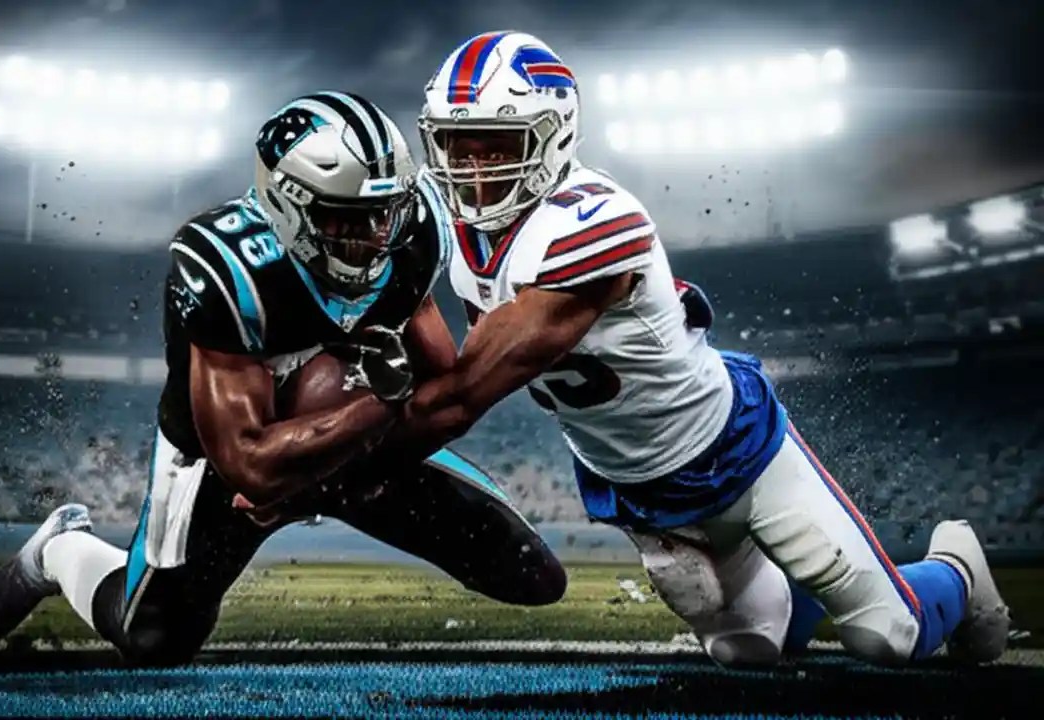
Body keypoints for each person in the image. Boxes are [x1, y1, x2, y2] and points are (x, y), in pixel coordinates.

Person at [355, 30, 1008, 667]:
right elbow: (446, 370)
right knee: (746, 648)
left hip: (732, 452)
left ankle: (955, 563)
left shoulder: (591, 225)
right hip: (632, 481)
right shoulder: (459, 237)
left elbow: (466, 391)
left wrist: (337, 472)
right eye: (454, 148)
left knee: (887, 636)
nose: (471, 171)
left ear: (552, 136)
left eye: (494, 149)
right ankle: (809, 584)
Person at [0, 91, 566, 666]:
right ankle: (58, 550)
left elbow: (441, 390)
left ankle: (344, 469)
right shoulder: (231, 270)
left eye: (384, 213)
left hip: (361, 449)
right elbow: (247, 465)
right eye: (347, 219)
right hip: (225, 463)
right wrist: (380, 402)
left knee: (531, 576)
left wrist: (352, 459)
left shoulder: (410, 232)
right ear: (288, 205)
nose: (374, 237)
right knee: (152, 637)